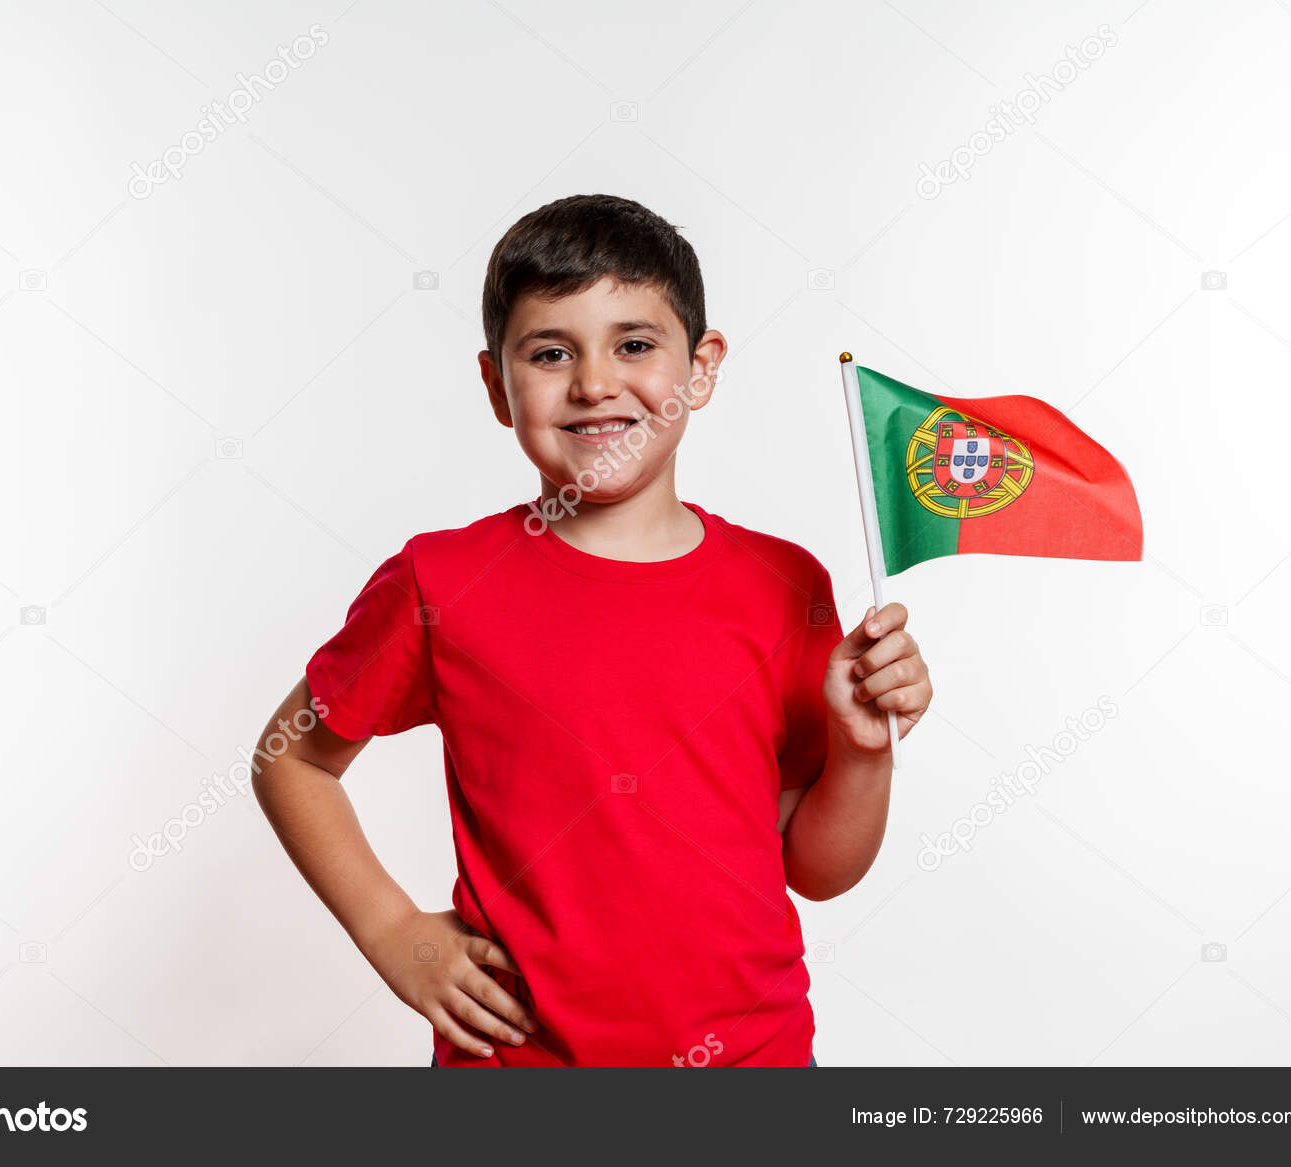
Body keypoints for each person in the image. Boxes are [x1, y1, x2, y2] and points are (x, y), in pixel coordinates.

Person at [251, 194, 932, 1067]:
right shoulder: (442, 580)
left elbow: (818, 867)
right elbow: (293, 757)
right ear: (498, 386)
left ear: (703, 365)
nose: (596, 383)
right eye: (549, 352)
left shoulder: (785, 583)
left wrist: (863, 750)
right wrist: (396, 934)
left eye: (635, 344)